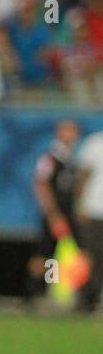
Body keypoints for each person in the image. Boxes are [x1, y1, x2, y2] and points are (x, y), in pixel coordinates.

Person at [26, 119, 82, 306]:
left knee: (72, 254)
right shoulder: (50, 158)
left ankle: (70, 294)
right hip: (55, 215)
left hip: (69, 213)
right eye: (67, 131)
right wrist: (52, 213)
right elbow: (41, 184)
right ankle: (31, 294)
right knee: (44, 254)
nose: (71, 135)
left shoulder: (71, 159)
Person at [73, 127, 103, 313]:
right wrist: (79, 204)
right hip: (94, 209)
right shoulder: (94, 143)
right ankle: (85, 300)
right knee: (90, 256)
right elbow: (82, 176)